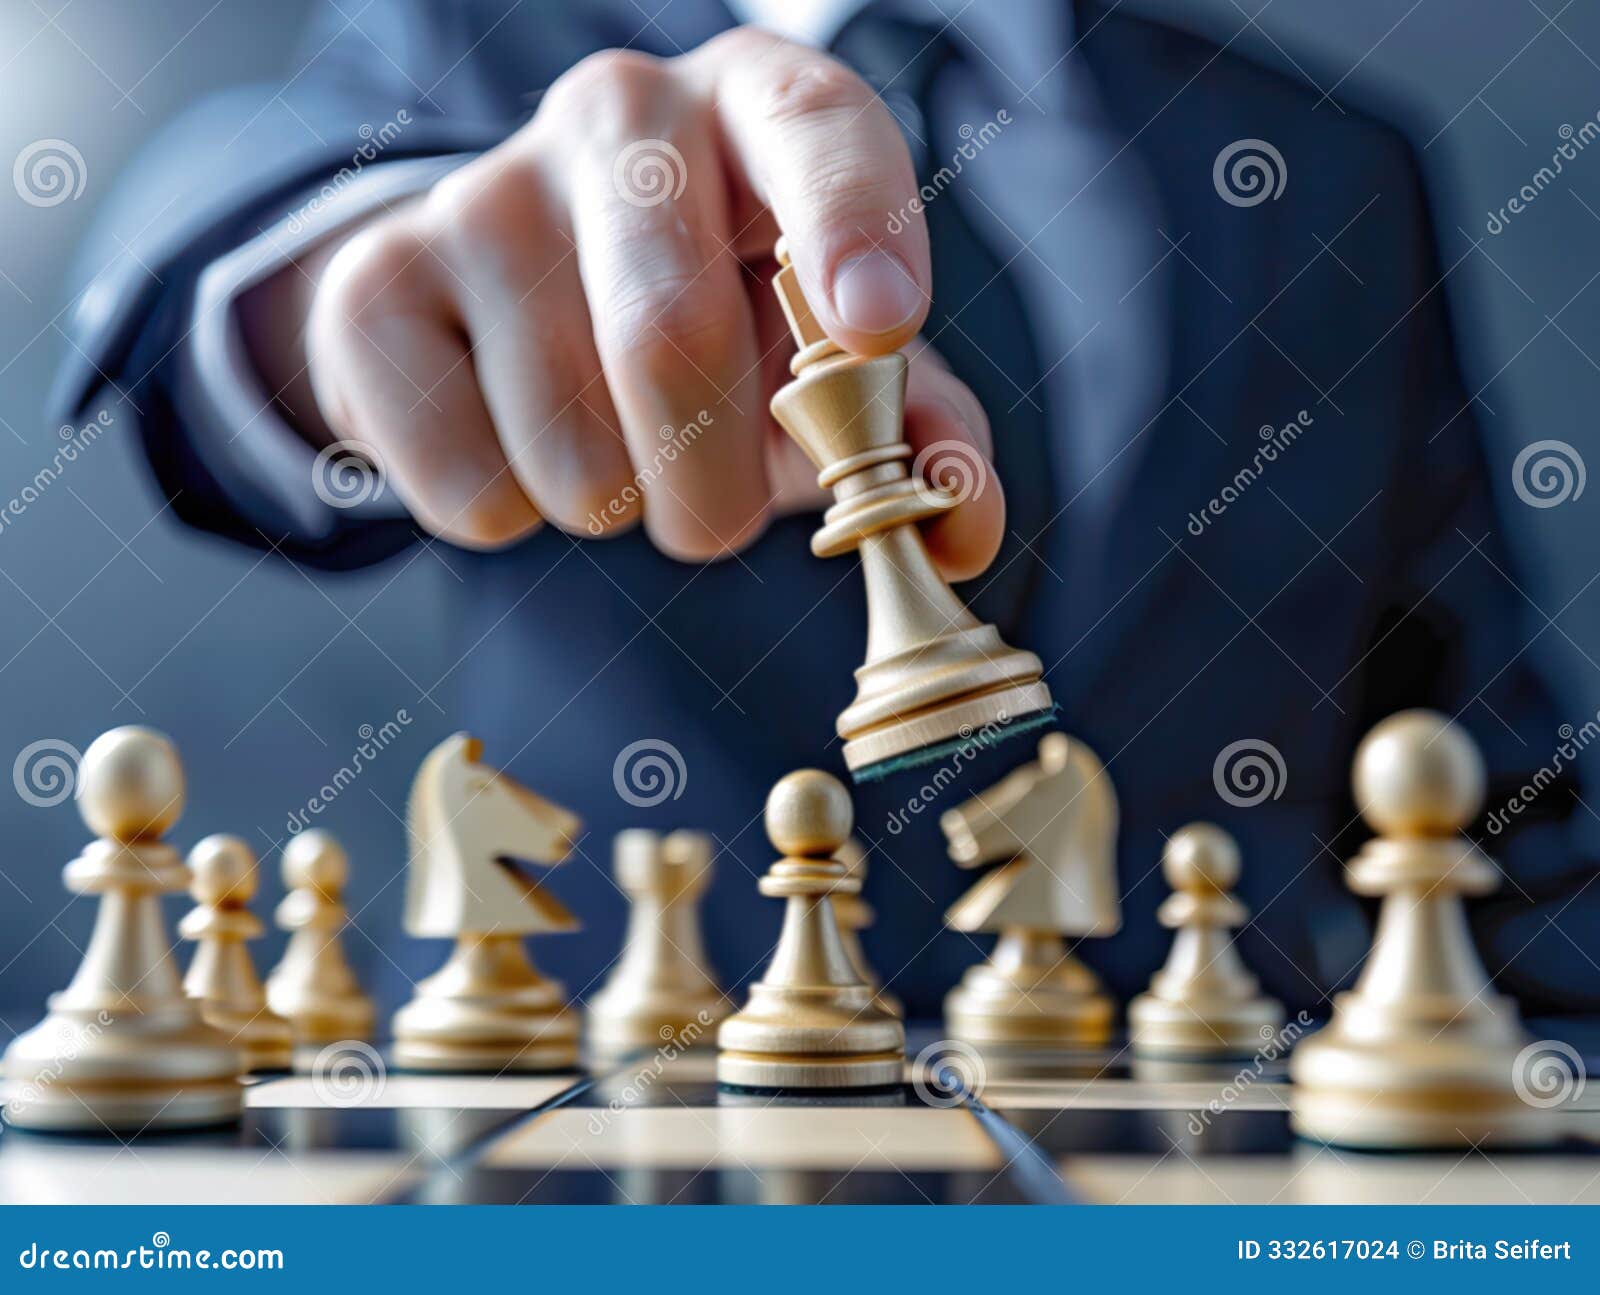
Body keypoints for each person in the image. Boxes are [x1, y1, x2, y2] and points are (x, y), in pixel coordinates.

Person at [51, 0, 1600, 1017]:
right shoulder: (482, 41)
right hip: (603, 1147)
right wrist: (331, 289)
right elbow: (237, 195)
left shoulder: (1328, 167)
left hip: (1181, 1155)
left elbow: (1496, 770)